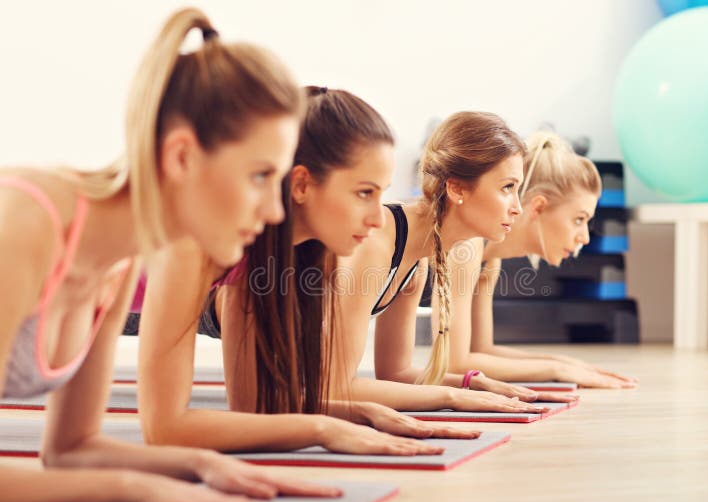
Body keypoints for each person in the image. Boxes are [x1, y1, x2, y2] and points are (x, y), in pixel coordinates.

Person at [0, 8, 338, 502]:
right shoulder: (25, 224)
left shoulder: (116, 263)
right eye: (258, 176)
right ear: (181, 156)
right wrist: (137, 490)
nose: (274, 211)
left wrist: (201, 464)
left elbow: (70, 450)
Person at [137, 87, 479, 458]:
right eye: (364, 193)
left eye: (380, 194)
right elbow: (166, 429)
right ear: (300, 185)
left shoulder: (293, 261)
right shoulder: (209, 248)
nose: (379, 217)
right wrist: (323, 426)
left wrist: (361, 412)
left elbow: (257, 410)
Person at [334, 112, 579, 408]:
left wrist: (470, 382)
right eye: (507, 188)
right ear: (456, 188)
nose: (517, 207)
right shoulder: (376, 243)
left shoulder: (416, 263)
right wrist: (452, 396)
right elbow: (338, 387)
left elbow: (394, 374)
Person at [422, 132, 639, 388]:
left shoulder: (489, 258)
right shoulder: (468, 246)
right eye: (579, 219)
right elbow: (453, 364)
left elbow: (481, 350)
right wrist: (554, 369)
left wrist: (566, 364)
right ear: (538, 207)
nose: (585, 238)